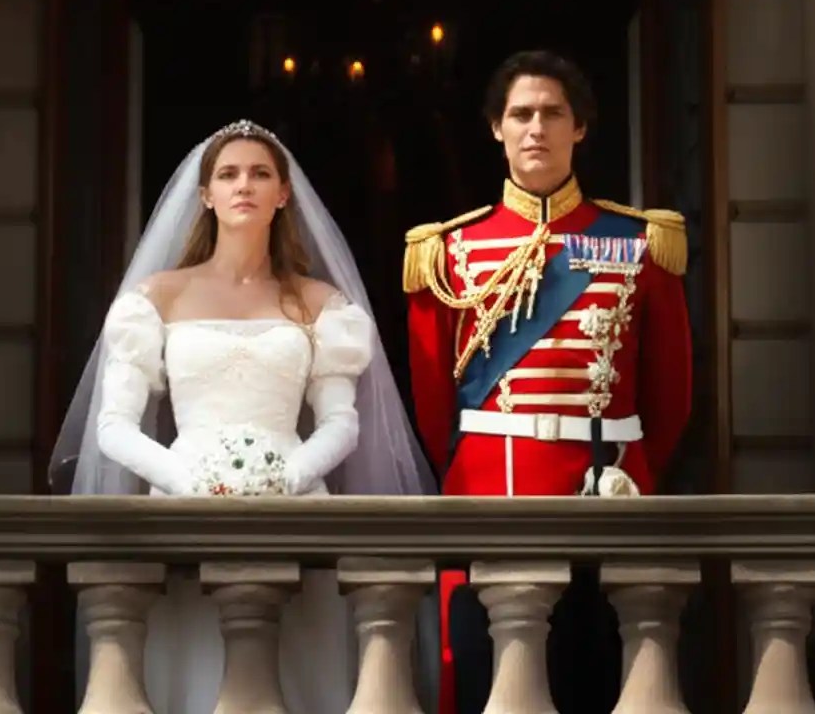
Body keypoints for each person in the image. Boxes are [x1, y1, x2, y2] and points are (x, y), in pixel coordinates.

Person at [51, 119, 436, 713]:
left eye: (259, 174)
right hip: (183, 512)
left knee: (299, 671)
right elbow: (113, 426)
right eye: (228, 175)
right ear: (206, 195)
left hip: (295, 510)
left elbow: (341, 424)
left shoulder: (319, 304)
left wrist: (284, 477)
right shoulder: (157, 297)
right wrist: (189, 482)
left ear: (283, 193)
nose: (244, 185)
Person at [403, 51, 693, 713]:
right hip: (489, 490)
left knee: (603, 683)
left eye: (552, 114)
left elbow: (670, 396)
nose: (536, 128)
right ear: (496, 129)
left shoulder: (641, 244)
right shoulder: (446, 252)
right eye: (521, 114)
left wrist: (626, 467)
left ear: (579, 127)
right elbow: (433, 404)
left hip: (605, 490)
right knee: (487, 685)